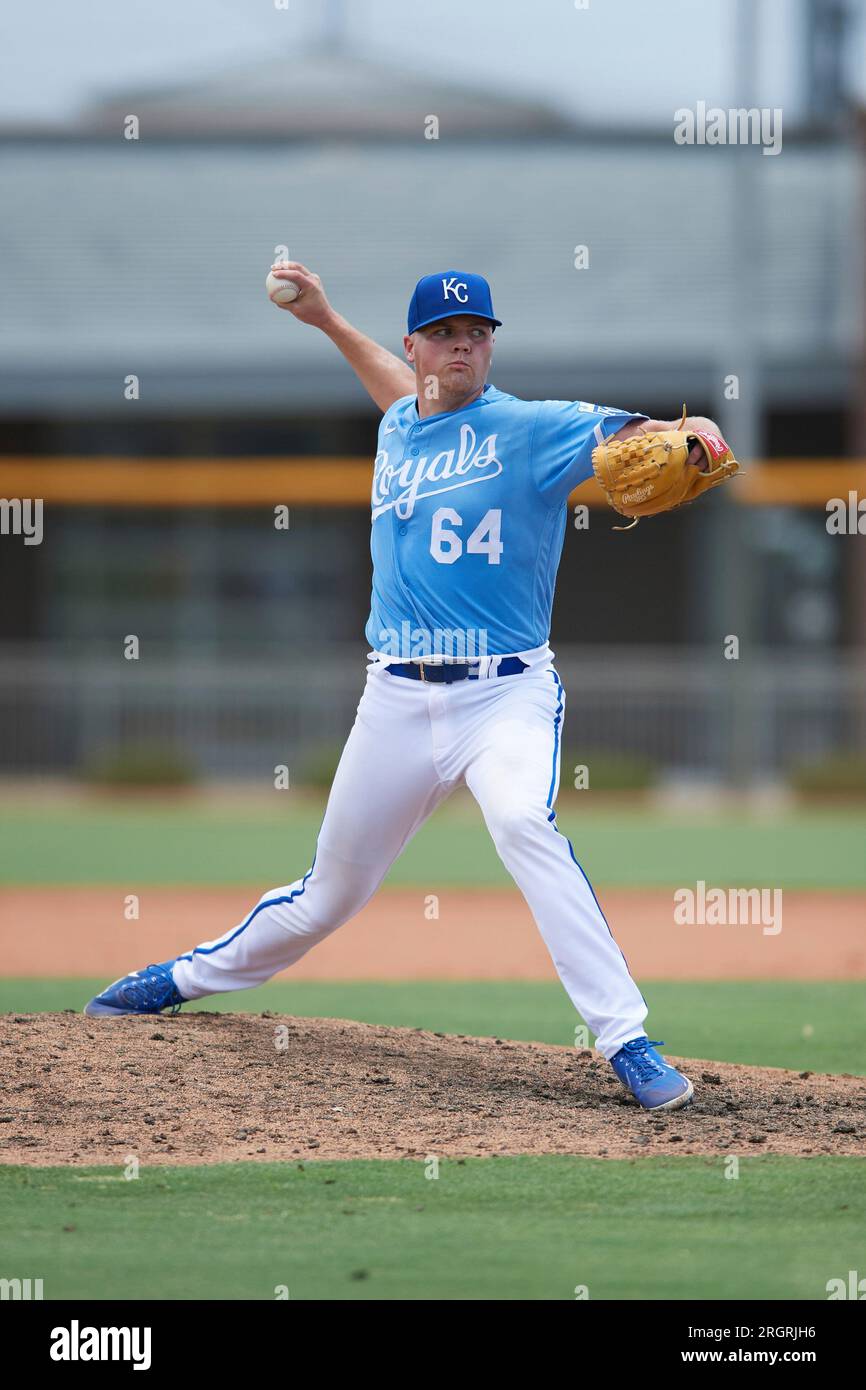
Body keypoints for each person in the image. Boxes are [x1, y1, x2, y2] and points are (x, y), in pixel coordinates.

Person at [86, 266, 727, 1112]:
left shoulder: (532, 430)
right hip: (392, 701)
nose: (466, 344)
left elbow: (655, 432)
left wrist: (701, 436)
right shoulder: (399, 423)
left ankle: (627, 1042)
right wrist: (323, 320)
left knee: (522, 821)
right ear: (416, 347)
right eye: (449, 333)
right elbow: (399, 393)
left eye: (480, 332)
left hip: (505, 696)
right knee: (326, 899)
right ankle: (177, 978)